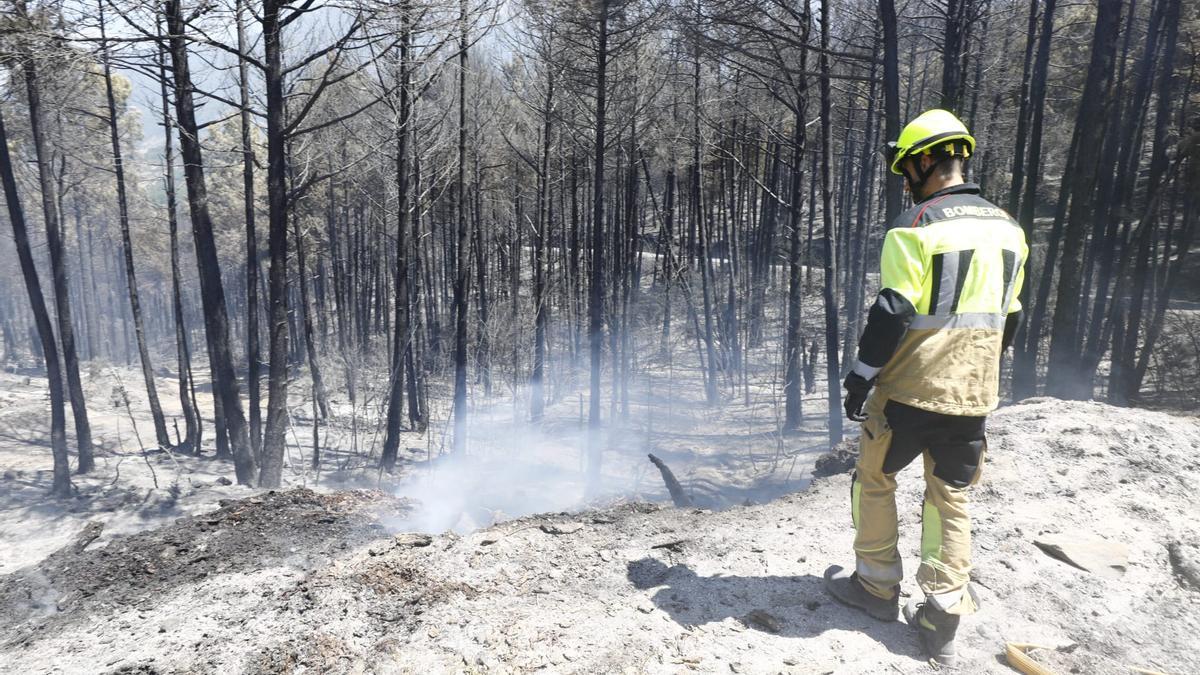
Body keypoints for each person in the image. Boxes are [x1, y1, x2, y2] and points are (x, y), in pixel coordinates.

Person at [823, 109, 1028, 667]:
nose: (905, 180)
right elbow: (1010, 317)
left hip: (911, 388)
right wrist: (980, 370)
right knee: (950, 497)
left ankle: (876, 587)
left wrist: (861, 377)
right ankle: (942, 609)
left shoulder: (915, 227)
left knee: (874, 478)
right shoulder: (1010, 228)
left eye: (905, 169)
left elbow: (892, 310)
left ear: (924, 161)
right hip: (973, 394)